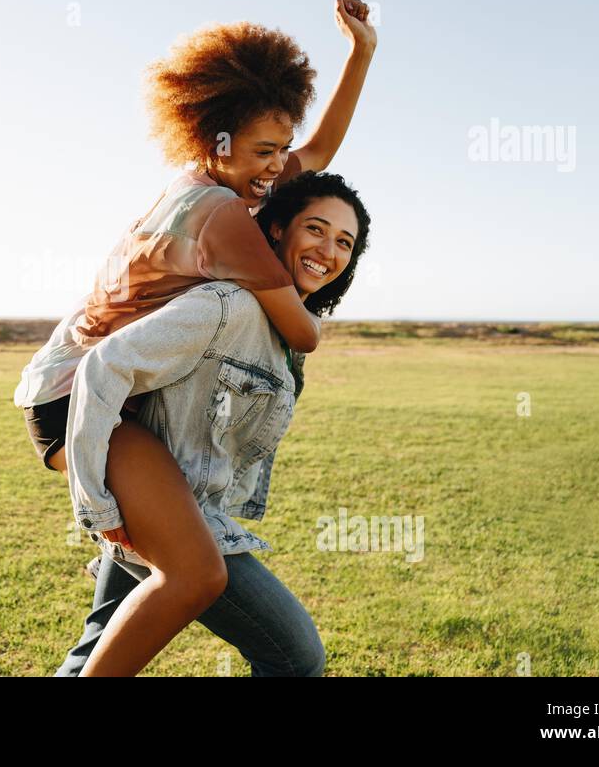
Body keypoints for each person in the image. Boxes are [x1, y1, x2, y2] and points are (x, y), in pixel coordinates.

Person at [17, 1, 377, 673]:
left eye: (280, 148)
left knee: (118, 615)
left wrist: (361, 54)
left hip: (123, 395)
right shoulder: (222, 217)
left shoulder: (219, 185)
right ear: (216, 139)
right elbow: (303, 329)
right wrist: (96, 505)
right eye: (265, 151)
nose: (277, 168)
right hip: (76, 397)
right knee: (195, 575)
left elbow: (320, 152)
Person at [55, 172, 372, 676]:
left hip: (174, 505)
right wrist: (96, 502)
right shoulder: (231, 305)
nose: (328, 250)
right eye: (315, 229)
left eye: (344, 242)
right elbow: (107, 364)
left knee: (94, 655)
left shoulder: (285, 331)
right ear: (275, 230)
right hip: (165, 513)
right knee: (294, 657)